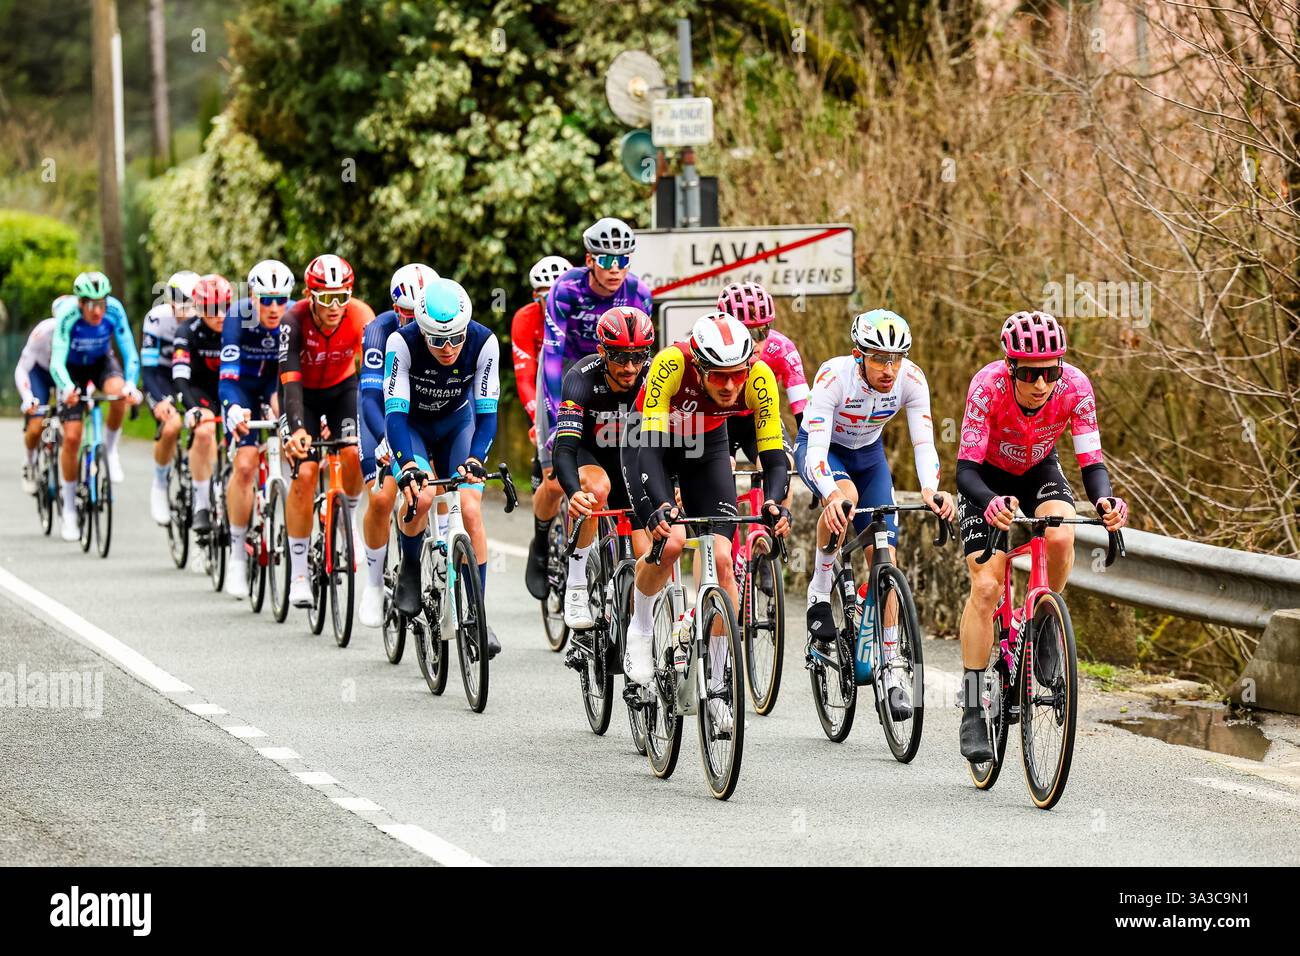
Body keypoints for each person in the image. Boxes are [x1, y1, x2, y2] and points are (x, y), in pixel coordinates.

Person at [954, 310, 1129, 762]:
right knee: (988, 586)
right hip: (986, 480)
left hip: (1039, 470)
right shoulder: (986, 386)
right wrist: (990, 501)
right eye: (1030, 373)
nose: (1041, 384)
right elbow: (965, 469)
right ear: (1011, 368)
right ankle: (973, 706)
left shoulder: (1076, 387)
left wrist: (1107, 501)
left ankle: (1044, 622)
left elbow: (1092, 462)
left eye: (1050, 372)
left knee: (1061, 535)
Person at [622, 314, 791, 733]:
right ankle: (640, 630)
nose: (730, 386)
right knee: (674, 542)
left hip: (707, 447)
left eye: (737, 375)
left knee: (719, 553)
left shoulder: (760, 377)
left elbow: (772, 457)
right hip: (651, 444)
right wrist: (661, 505)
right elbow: (651, 452)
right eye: (719, 377)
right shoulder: (670, 364)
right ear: (698, 366)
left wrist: (773, 502)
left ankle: (716, 685)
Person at [796, 309, 954, 720]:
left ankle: (891, 669)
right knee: (845, 498)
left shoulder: (911, 379)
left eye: (896, 358)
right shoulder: (834, 377)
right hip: (824, 449)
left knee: (886, 558)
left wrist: (931, 489)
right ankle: (819, 588)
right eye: (880, 358)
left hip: (870, 456)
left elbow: (923, 444)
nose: (889, 368)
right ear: (858, 354)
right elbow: (814, 453)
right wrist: (830, 494)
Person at [526, 219, 652, 599]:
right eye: (606, 258)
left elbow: (642, 355)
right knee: (553, 476)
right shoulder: (566, 289)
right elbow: (551, 355)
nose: (615, 267)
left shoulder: (638, 291)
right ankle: (542, 541)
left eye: (623, 259)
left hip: (621, 375)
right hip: (570, 379)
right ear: (589, 259)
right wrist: (557, 414)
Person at [385, 277, 502, 656]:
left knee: (469, 508)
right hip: (414, 428)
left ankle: (478, 614)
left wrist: (475, 457)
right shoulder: (401, 344)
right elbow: (395, 416)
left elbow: (486, 416)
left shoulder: (484, 342)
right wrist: (404, 467)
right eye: (437, 340)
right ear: (421, 331)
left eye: (456, 338)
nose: (448, 348)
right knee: (421, 497)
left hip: (458, 425)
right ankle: (410, 566)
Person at [278, 254, 374, 609]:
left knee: (352, 450)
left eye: (342, 296)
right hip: (301, 394)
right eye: (326, 298)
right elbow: (289, 378)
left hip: (341, 389)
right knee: (304, 472)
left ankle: (347, 518)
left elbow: (376, 375)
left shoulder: (362, 316)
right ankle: (299, 574)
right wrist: (298, 429)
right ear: (309, 295)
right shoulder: (294, 319)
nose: (335, 306)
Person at [552, 306, 655, 629]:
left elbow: (670, 442)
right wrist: (573, 492)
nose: (629, 367)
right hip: (590, 454)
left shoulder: (653, 377)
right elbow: (565, 447)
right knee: (595, 491)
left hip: (633, 460)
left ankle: (639, 631)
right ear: (601, 351)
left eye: (638, 357)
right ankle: (577, 582)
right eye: (619, 357)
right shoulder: (581, 378)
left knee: (648, 557)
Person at [356, 261, 437, 627]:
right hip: (384, 414)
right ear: (395, 309)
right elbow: (372, 398)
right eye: (405, 315)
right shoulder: (379, 331)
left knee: (439, 489)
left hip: (426, 415)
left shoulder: (443, 327)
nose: (412, 323)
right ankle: (373, 584)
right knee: (383, 496)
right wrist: (386, 440)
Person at [219, 259, 295, 598]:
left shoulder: (293, 318)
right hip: (242, 386)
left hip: (275, 385)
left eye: (282, 299)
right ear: (252, 296)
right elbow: (227, 373)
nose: (275, 307)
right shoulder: (237, 317)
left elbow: (297, 373)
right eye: (266, 300)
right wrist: (233, 409)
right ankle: (236, 555)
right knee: (247, 465)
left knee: (295, 442)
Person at [49, 271, 142, 540]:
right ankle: (68, 509)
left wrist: (131, 385)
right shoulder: (67, 314)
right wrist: (66, 388)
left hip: (102, 363)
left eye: (101, 302)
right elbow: (56, 360)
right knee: (73, 437)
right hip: (72, 368)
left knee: (118, 394)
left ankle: (110, 450)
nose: (97, 310)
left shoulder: (114, 310)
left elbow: (129, 353)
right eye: (91, 304)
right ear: (80, 302)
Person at [513, 255, 571, 600]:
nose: (549, 303)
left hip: (579, 395)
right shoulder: (525, 319)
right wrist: (537, 417)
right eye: (542, 297)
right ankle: (541, 541)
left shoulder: (579, 314)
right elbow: (524, 374)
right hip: (544, 398)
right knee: (552, 484)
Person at [715, 281, 809, 459]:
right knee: (719, 473)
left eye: (761, 332)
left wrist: (812, 451)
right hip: (718, 420)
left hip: (759, 417)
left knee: (782, 466)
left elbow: (802, 406)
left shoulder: (782, 348)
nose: (753, 343)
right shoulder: (709, 348)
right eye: (743, 333)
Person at [172, 274, 233, 536]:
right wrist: (191, 407)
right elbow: (180, 375)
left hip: (231, 390)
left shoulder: (239, 328)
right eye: (211, 309)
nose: (219, 315)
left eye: (225, 307)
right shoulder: (186, 331)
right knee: (205, 430)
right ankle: (202, 504)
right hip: (200, 390)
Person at [142, 271, 200, 525]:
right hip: (162, 375)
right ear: (169, 302)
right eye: (179, 305)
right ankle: (159, 482)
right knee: (172, 425)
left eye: (191, 305)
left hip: (191, 375)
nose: (185, 311)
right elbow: (149, 369)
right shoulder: (156, 319)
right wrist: (160, 400)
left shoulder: (207, 317)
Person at [14, 295, 75, 494]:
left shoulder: (81, 332)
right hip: (39, 373)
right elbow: (22, 368)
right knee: (35, 425)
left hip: (64, 375)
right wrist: (27, 397)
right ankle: (29, 463)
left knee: (70, 428)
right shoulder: (43, 331)